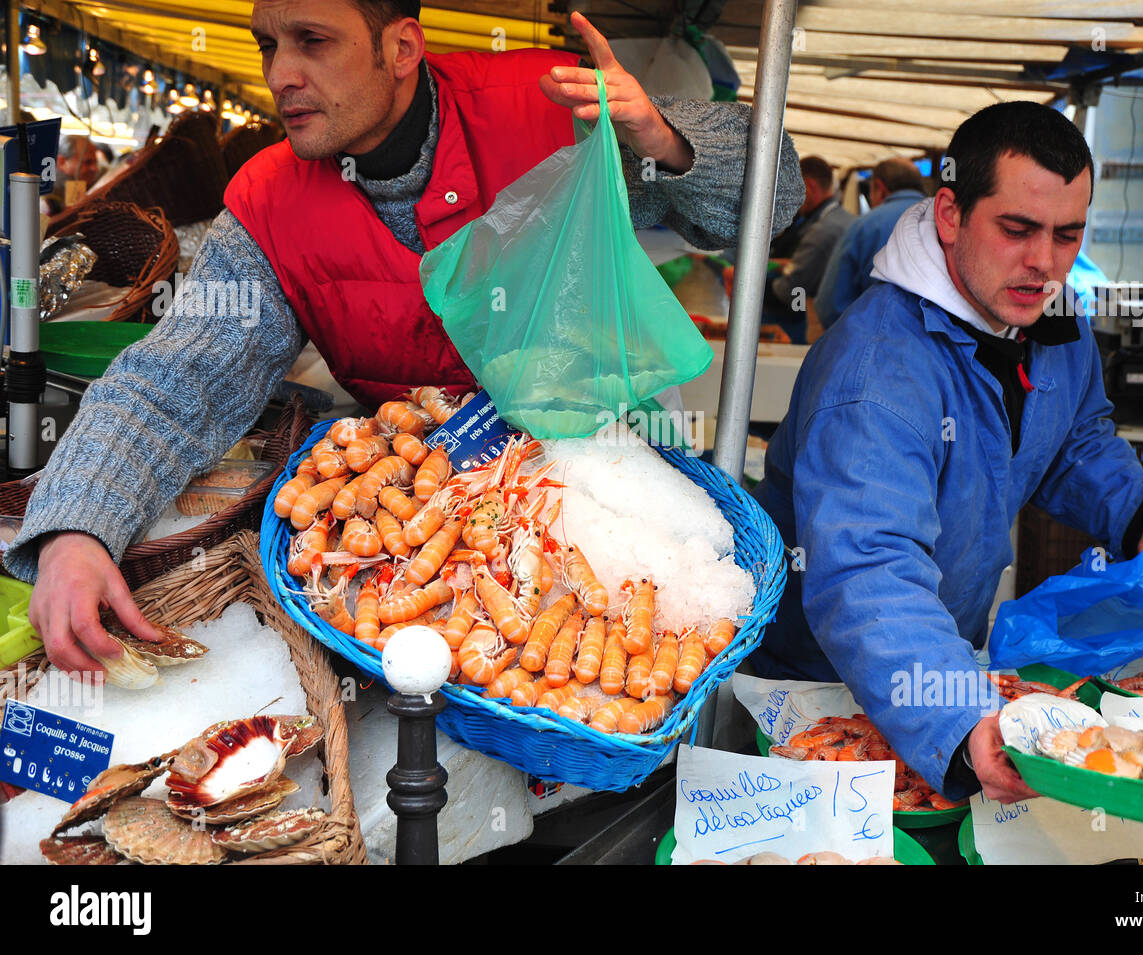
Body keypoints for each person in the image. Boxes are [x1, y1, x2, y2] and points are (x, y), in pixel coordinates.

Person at [8, 0, 803, 678]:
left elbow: (780, 196)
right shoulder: (269, 200)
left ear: (400, 49)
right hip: (419, 532)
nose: (281, 72)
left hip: (603, 506)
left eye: (312, 41)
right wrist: (77, 528)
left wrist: (664, 140)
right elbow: (177, 382)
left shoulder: (546, 108)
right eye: (268, 45)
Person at [748, 102, 1143, 803]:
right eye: (1017, 229)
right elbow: (868, 569)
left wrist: (1138, 510)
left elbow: (1072, 439)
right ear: (949, 214)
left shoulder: (1051, 316)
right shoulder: (876, 375)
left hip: (946, 675)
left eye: (1067, 235)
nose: (1044, 262)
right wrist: (962, 712)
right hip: (818, 687)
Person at [813, 157, 925, 331]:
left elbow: (830, 305)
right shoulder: (948, 221)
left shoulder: (865, 226)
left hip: (876, 343)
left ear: (880, 189)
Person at [762, 156, 855, 344]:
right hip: (845, 324)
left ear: (810, 186)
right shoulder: (847, 220)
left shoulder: (822, 230)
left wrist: (749, 287)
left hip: (808, 325)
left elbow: (792, 292)